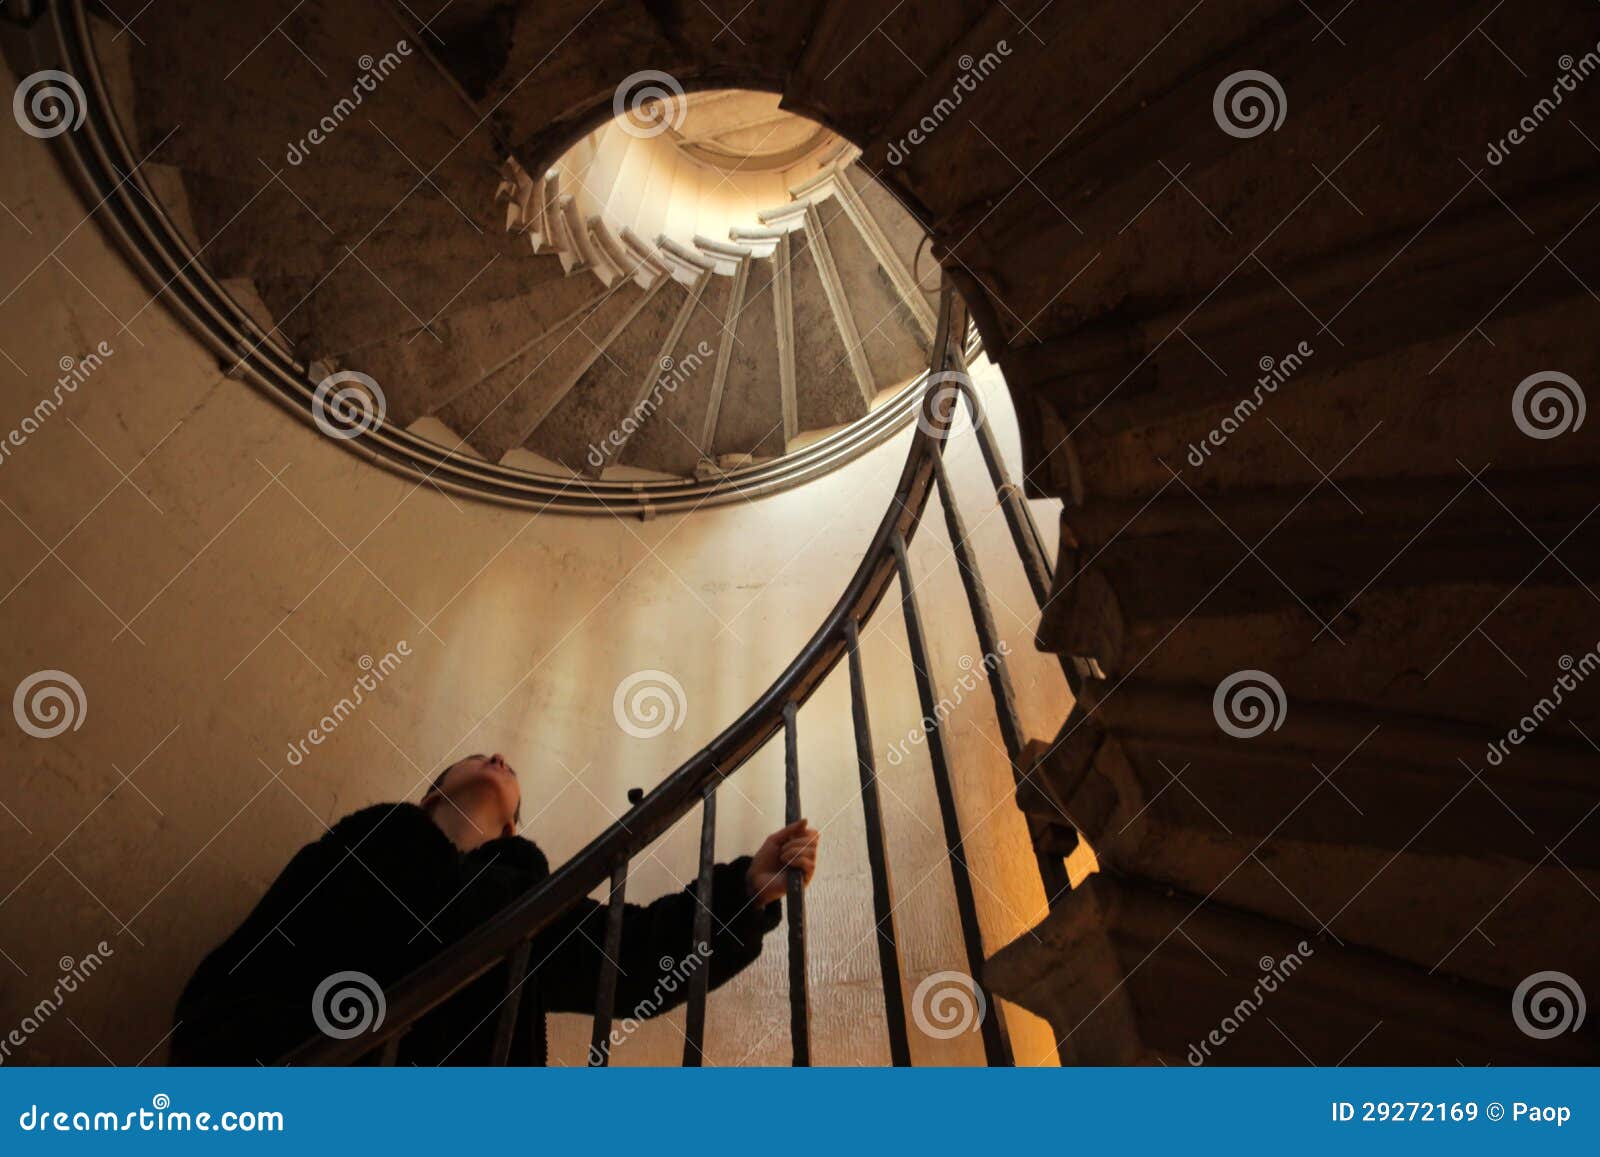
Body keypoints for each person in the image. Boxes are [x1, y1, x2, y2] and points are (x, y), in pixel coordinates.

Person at [170, 753, 819, 1064]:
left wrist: (747, 892)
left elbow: (634, 956)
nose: (497, 756)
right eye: (475, 757)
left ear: (512, 828)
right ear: (432, 793)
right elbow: (246, 967)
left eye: (510, 775)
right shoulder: (354, 852)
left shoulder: (527, 908)